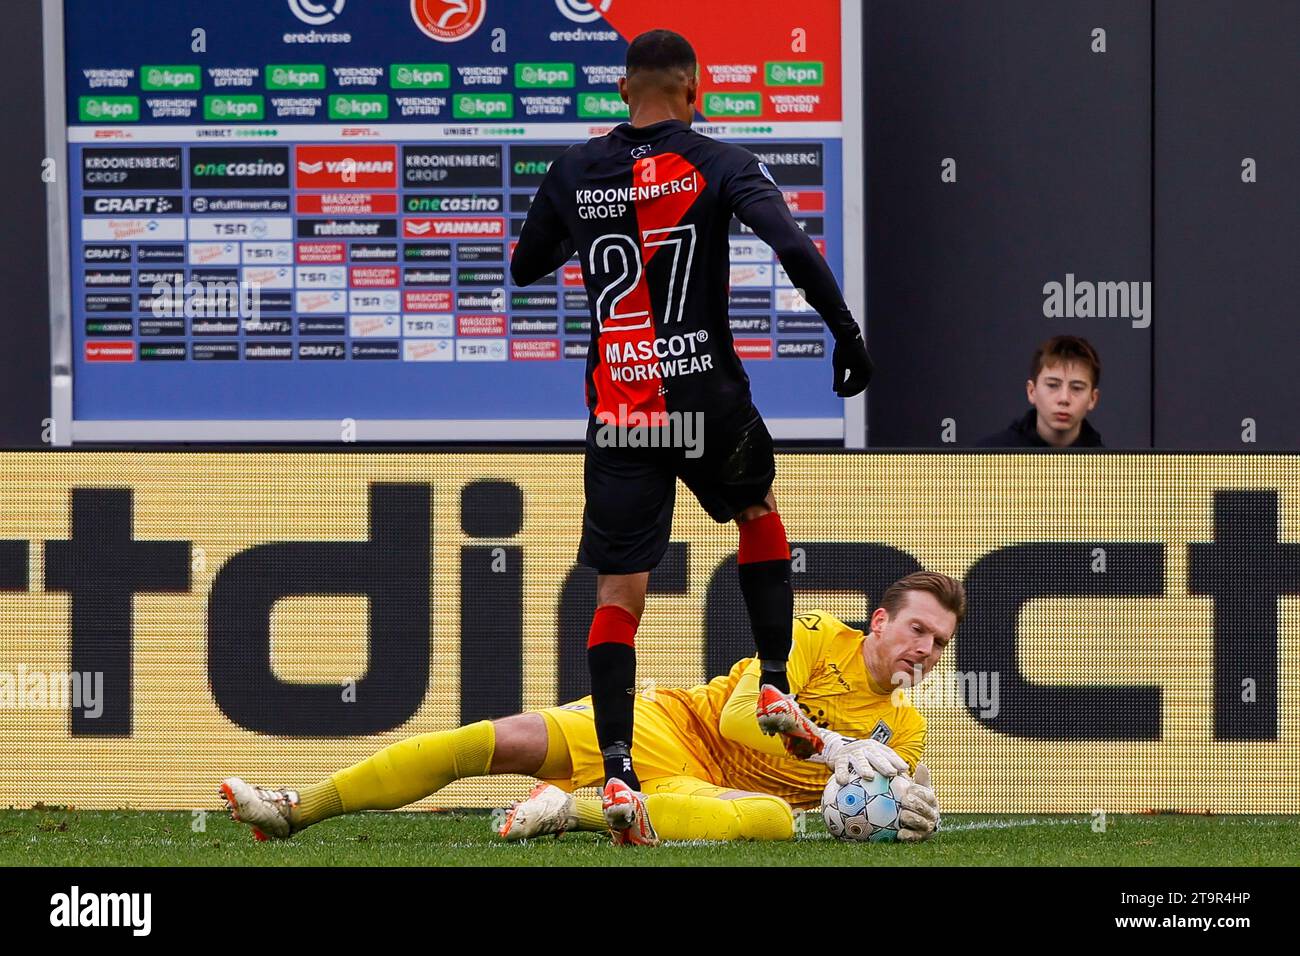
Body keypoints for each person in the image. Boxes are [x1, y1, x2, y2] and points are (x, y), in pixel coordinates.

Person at [507, 28, 874, 838]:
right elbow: (789, 244)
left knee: (617, 595)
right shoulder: (718, 161)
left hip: (623, 410)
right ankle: (775, 680)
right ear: (693, 87)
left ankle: (616, 774)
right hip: (705, 397)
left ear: (621, 91)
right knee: (756, 512)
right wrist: (844, 333)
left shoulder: (574, 169)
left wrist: (595, 218)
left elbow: (525, 265)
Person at [219, 572, 960, 846]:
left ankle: (569, 808)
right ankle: (296, 808)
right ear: (880, 621)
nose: (925, 650)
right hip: (668, 725)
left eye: (940, 642)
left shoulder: (910, 726)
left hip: (708, 796)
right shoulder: (811, 636)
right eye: (918, 629)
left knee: (770, 822)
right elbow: (741, 719)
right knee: (491, 740)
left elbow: (868, 803)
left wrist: (904, 809)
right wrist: (829, 749)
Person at [978, 335, 1103, 448]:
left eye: (1076, 388)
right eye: (1052, 385)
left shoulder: (1106, 467)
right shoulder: (988, 459)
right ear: (1032, 391)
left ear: (1092, 399)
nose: (1064, 398)